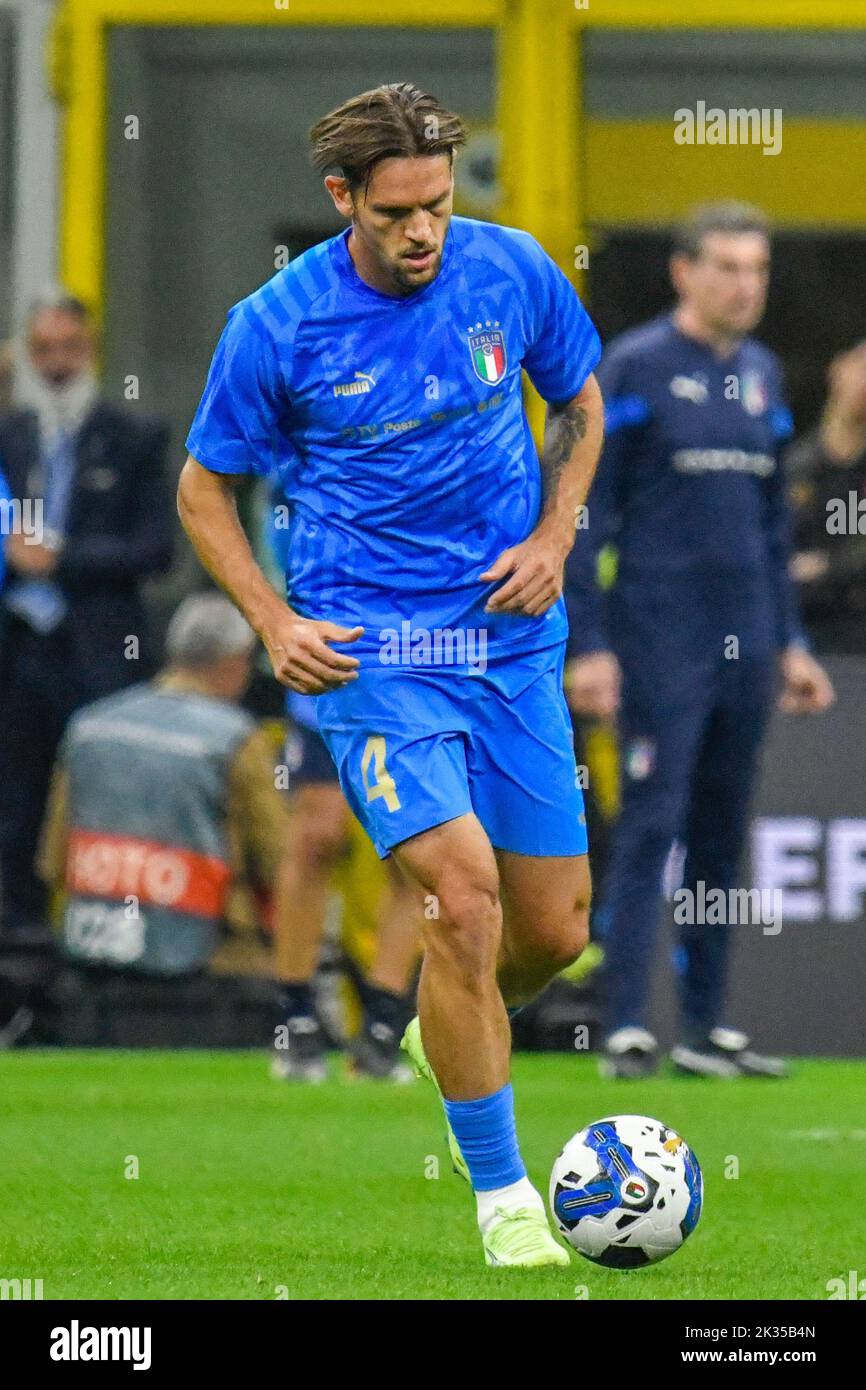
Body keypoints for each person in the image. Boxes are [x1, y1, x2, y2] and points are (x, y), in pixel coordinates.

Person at [178, 82, 603, 1267]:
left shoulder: (510, 270)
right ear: (342, 199)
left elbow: (576, 401)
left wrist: (555, 533)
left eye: (437, 202)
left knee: (553, 929)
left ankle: (444, 1025)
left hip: (509, 640)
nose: (424, 231)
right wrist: (269, 621)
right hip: (370, 651)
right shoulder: (276, 322)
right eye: (396, 212)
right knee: (458, 897)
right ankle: (505, 1197)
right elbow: (204, 488)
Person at [566, 202, 834, 1081]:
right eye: (726, 266)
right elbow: (586, 516)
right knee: (652, 823)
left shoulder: (761, 373)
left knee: (723, 833)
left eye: (755, 268)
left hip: (748, 639)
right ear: (684, 271)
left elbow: (768, 531)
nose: (744, 284)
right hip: (658, 637)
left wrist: (790, 641)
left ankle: (707, 1026)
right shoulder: (635, 366)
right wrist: (590, 644)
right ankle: (626, 1025)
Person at [37, 593, 292, 1039]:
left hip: (90, 959)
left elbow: (53, 859)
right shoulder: (236, 740)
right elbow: (277, 861)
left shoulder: (89, 727)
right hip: (210, 968)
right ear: (237, 661)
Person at [0, 289, 173, 942]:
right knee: (16, 805)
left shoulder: (132, 439)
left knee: (103, 805)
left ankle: (107, 949)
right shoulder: (9, 438)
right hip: (18, 651)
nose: (56, 364)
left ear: (92, 349)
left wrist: (62, 557)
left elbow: (156, 550)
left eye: (69, 348)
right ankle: (19, 954)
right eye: (43, 350)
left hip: (100, 654)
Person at [786, 339, 866, 655]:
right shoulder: (793, 466)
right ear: (838, 369)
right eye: (862, 367)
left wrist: (825, 567)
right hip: (800, 640)